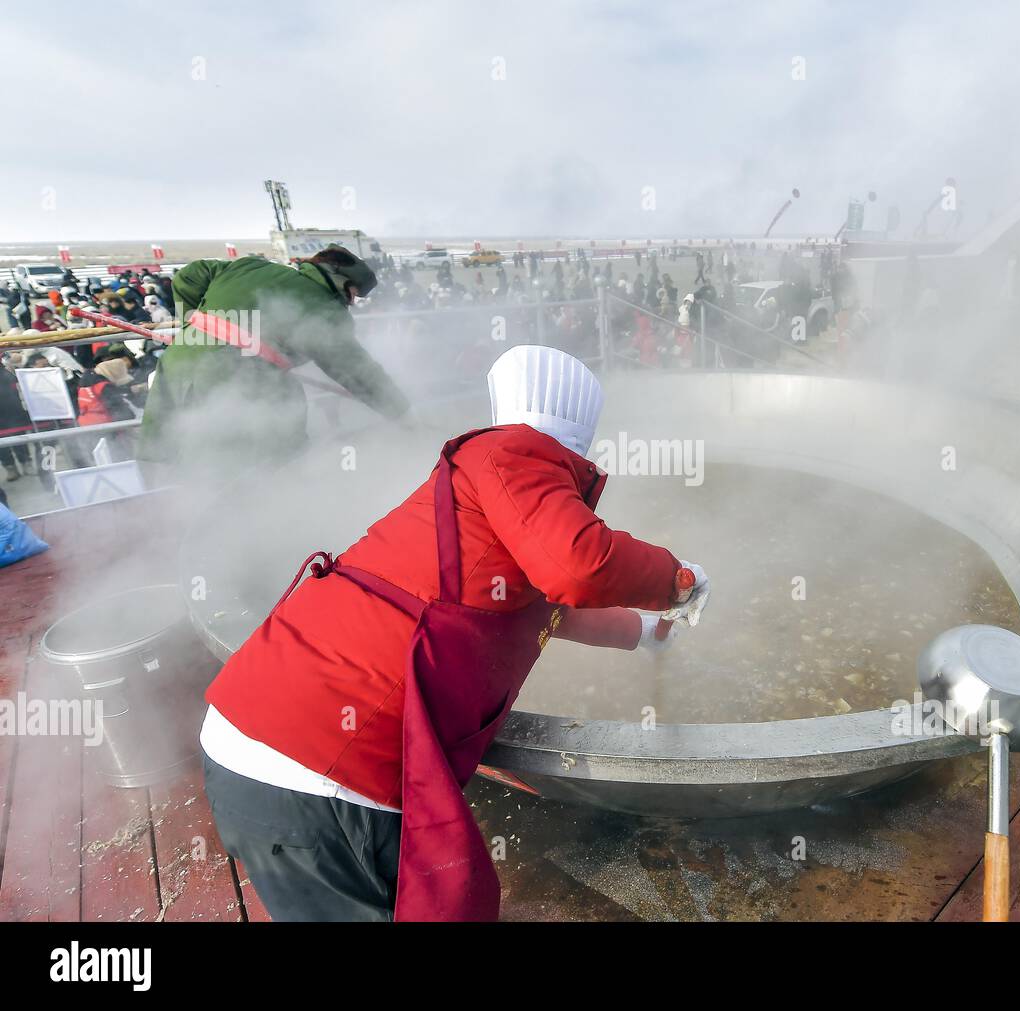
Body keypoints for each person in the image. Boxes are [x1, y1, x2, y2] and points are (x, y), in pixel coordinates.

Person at [200, 345, 711, 921]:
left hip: (276, 751)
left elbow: (542, 603)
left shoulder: (482, 499)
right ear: (577, 433)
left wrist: (642, 632)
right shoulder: (513, 453)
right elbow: (578, 568)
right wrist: (680, 581)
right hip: (316, 772)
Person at [137, 245, 410, 475]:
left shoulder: (251, 266)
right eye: (354, 294)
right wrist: (400, 411)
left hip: (179, 358)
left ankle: (167, 507)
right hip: (236, 374)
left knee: (168, 442)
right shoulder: (325, 308)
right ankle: (273, 506)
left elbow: (188, 276)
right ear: (340, 280)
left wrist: (196, 325)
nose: (352, 303)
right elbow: (356, 371)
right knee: (279, 446)